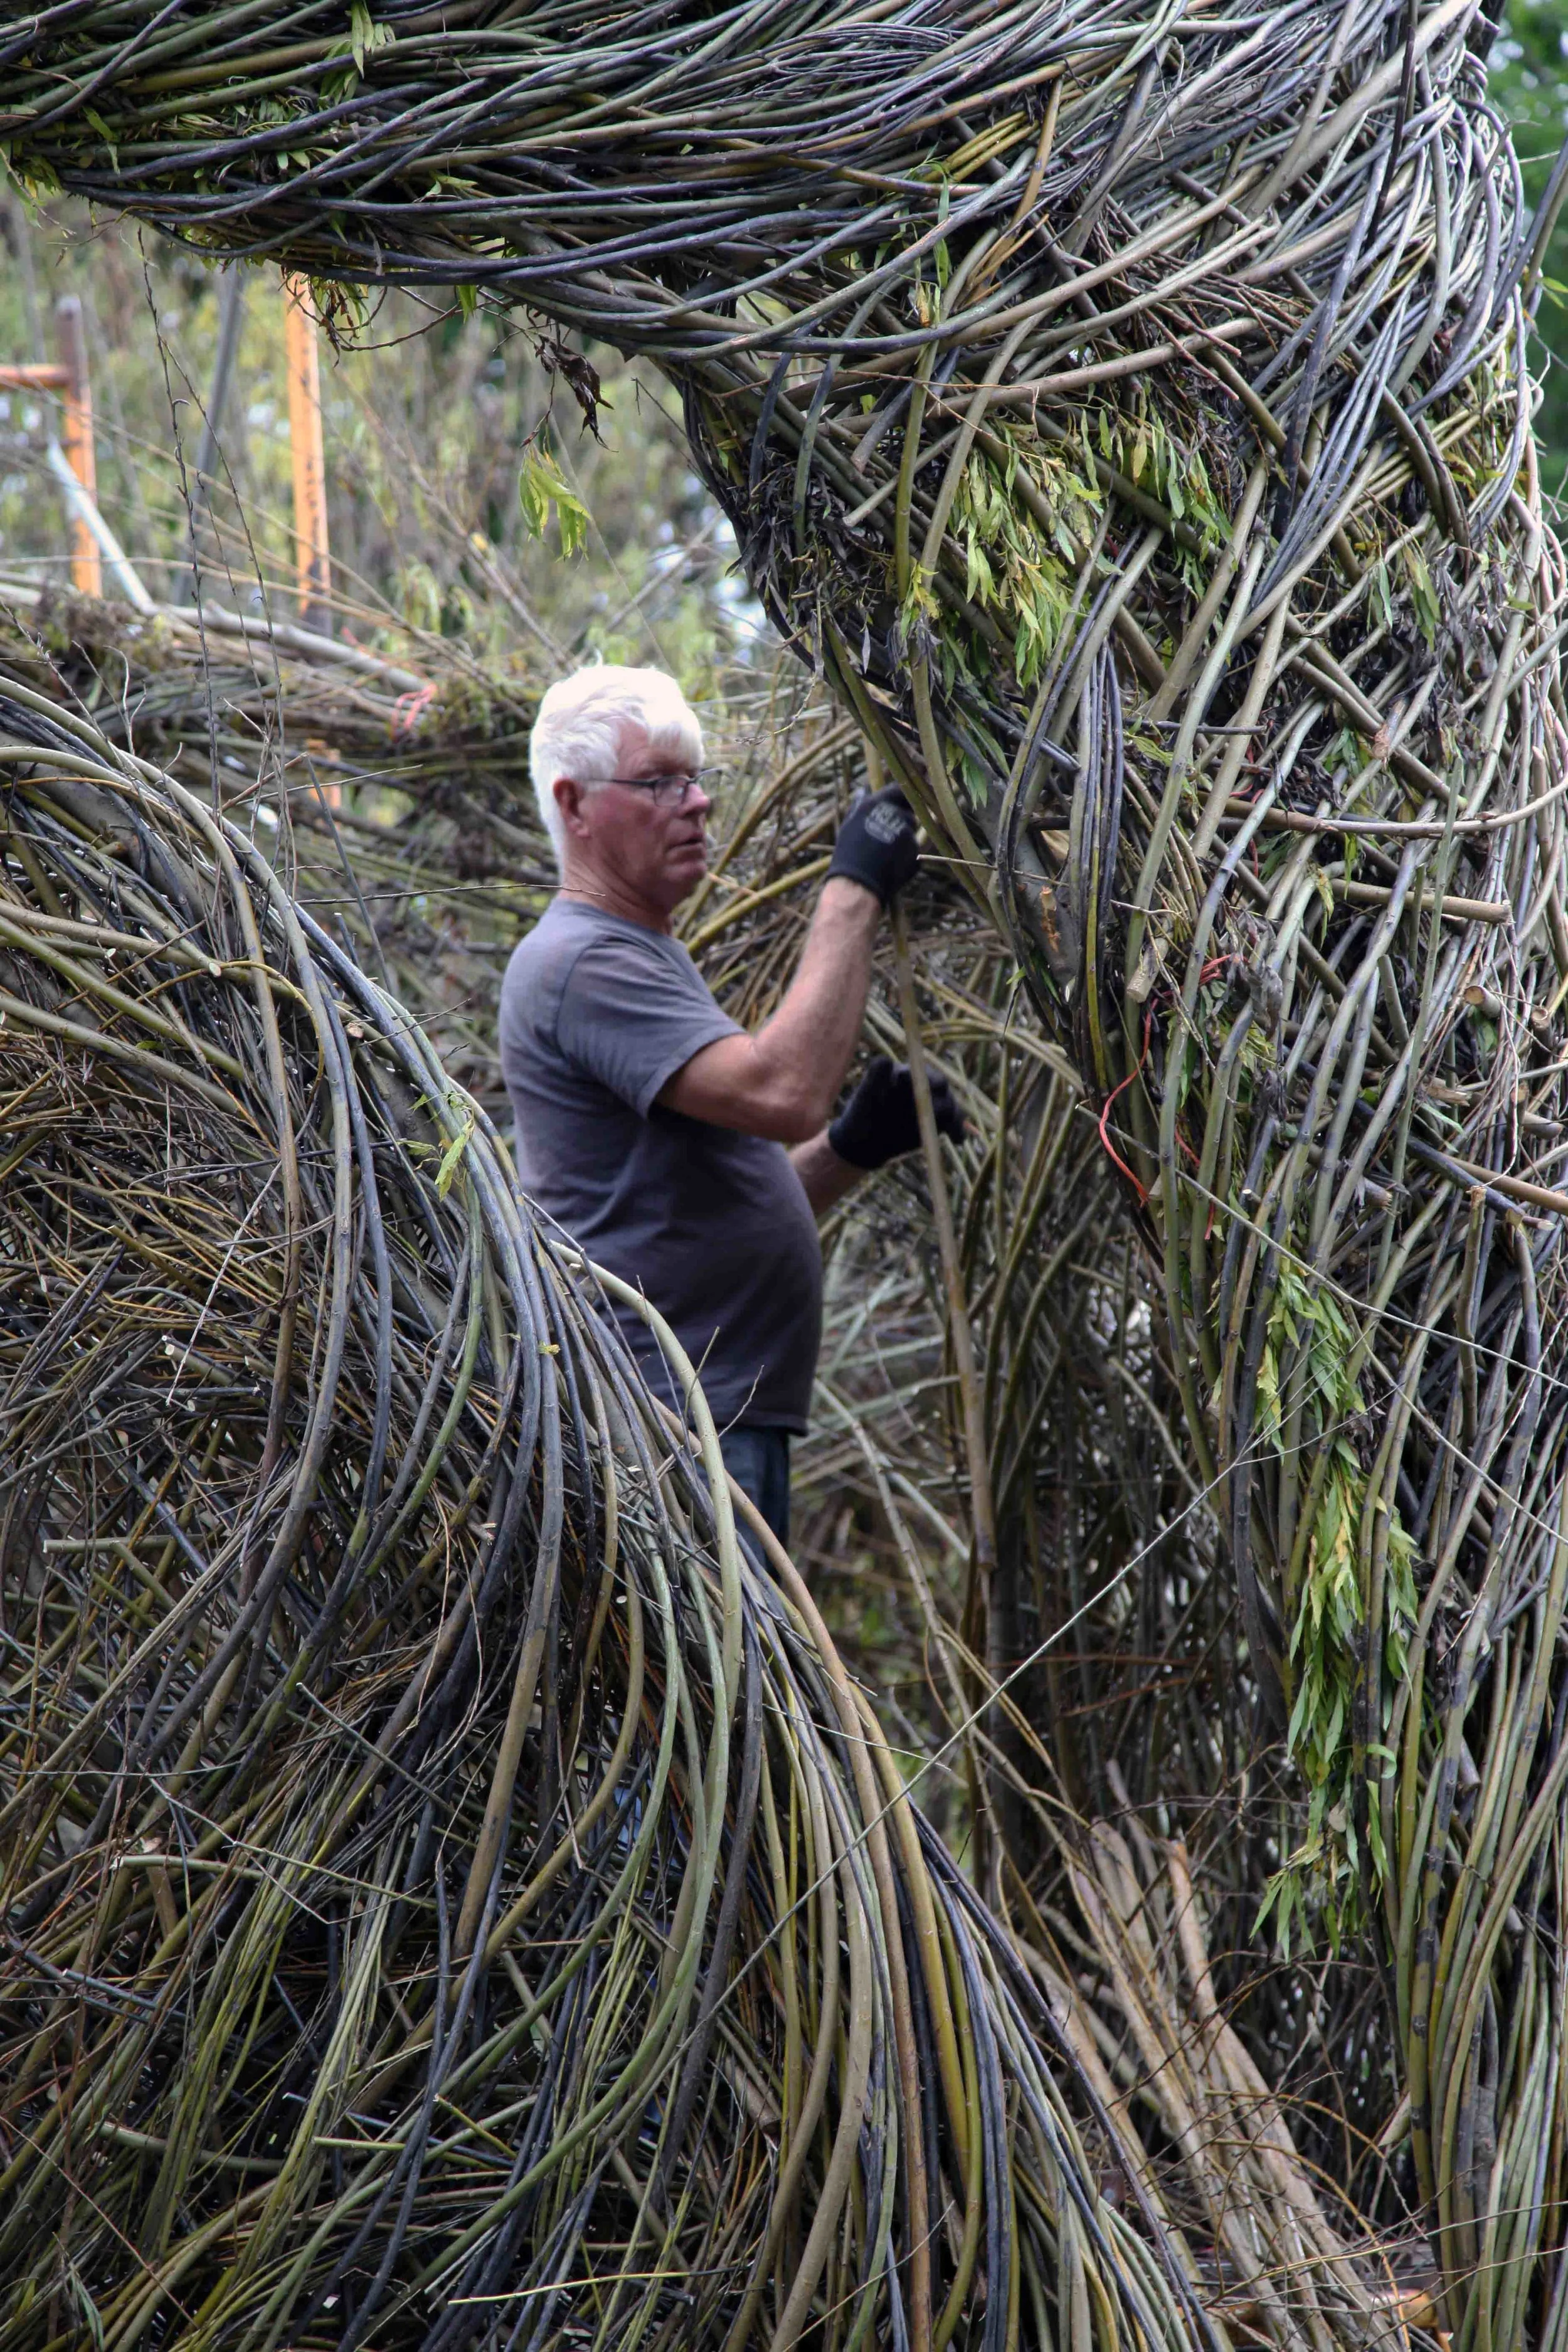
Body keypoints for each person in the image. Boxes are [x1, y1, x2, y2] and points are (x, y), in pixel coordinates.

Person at [499, 664, 963, 1545]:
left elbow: (675, 1205)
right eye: (660, 782)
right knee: (737, 1688)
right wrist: (853, 888)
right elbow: (784, 1089)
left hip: (717, 1415)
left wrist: (849, 1150)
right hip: (676, 1429)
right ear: (575, 803)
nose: (699, 801)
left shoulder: (637, 952)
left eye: (697, 777)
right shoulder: (581, 964)